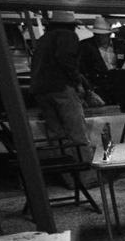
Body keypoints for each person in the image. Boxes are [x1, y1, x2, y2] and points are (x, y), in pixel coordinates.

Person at [29, 10, 89, 146]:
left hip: (40, 89)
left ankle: (64, 159)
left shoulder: (44, 39)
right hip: (60, 86)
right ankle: (85, 162)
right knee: (77, 131)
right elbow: (66, 59)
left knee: (56, 133)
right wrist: (77, 82)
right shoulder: (68, 35)